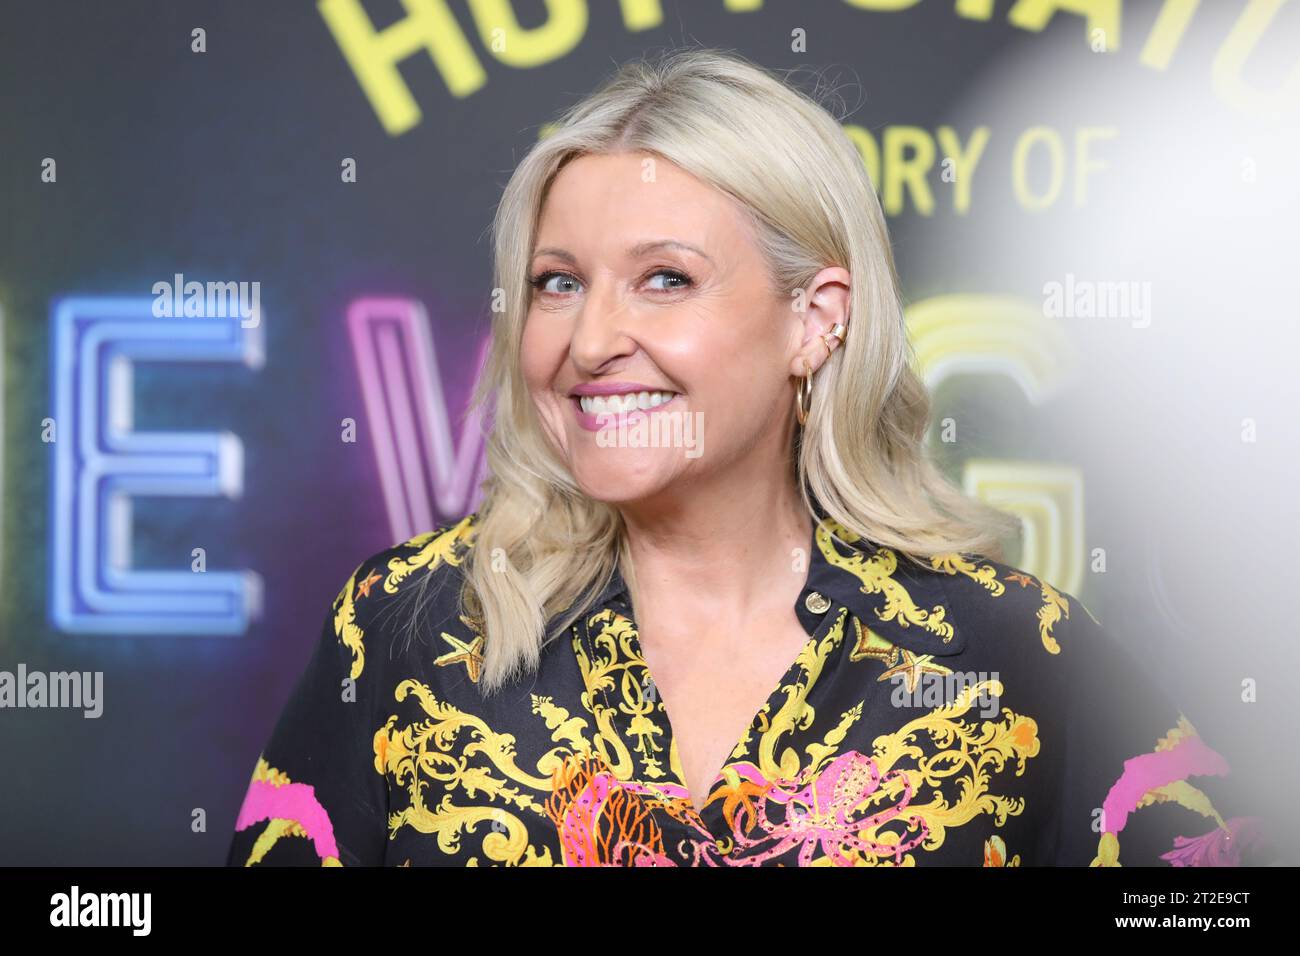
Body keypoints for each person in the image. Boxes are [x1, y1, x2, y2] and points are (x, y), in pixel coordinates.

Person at [227, 47, 1270, 867]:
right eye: (556, 282)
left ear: (814, 320)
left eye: (665, 279)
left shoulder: (1005, 649)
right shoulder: (406, 623)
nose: (589, 342)